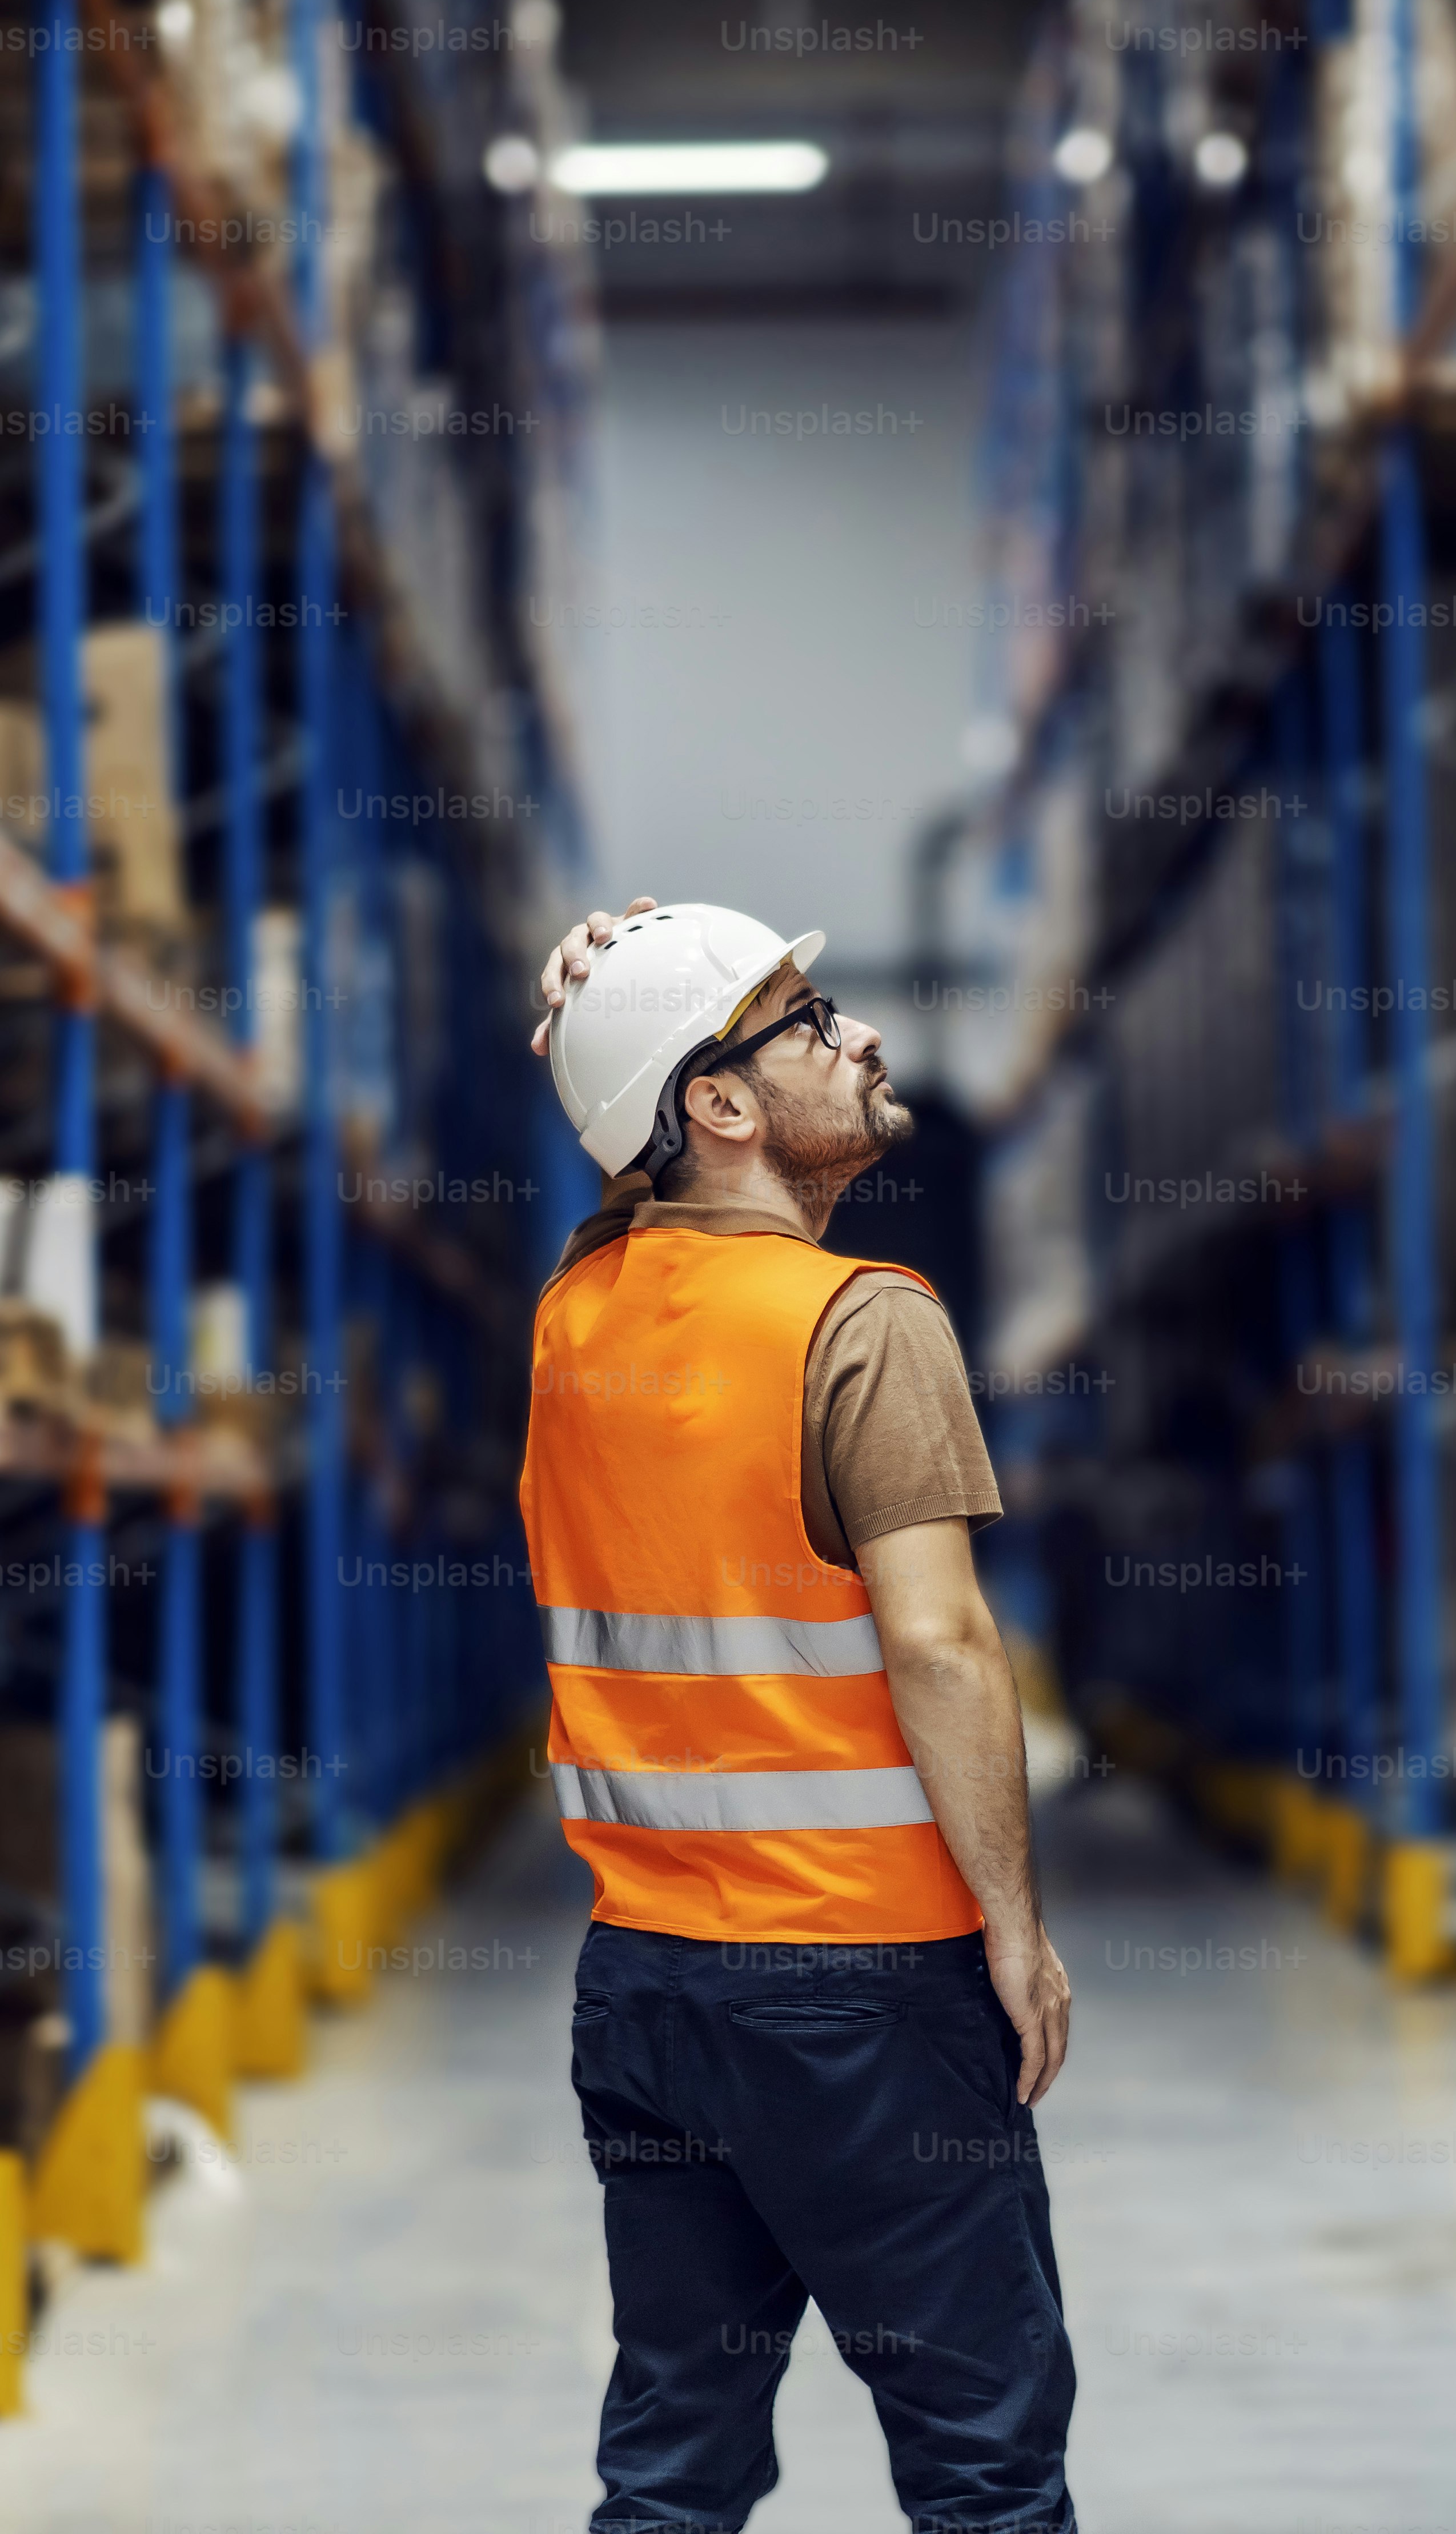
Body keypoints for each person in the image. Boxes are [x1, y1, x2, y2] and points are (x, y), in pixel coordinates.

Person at [520, 896, 1078, 2534]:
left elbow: (614, 1201)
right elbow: (944, 1647)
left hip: (649, 1995)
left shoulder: (579, 1320)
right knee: (985, 2459)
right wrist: (1015, 1934)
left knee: (675, 2460)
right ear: (723, 1105)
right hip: (864, 1999)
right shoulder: (864, 1322)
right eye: (810, 1020)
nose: (861, 1037)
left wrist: (600, 1006)